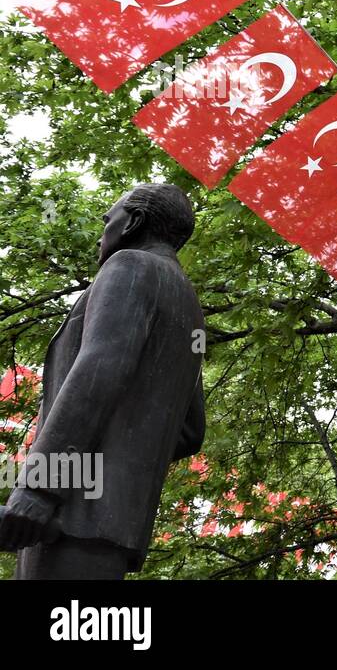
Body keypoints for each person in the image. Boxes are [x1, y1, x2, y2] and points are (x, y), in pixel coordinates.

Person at [0, 183, 206, 579]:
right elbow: (190, 431)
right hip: (117, 523)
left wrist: (41, 487)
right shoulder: (189, 305)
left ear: (134, 222)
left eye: (108, 220)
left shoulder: (129, 265)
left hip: (65, 515)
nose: (102, 230)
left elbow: (99, 368)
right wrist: (123, 463)